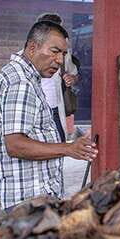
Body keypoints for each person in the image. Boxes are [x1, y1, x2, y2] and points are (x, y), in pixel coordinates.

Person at [0, 20, 97, 210]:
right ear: (32, 48)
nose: (60, 60)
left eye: (63, 54)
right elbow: (16, 145)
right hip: (28, 201)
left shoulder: (25, 77)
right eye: (54, 51)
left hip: (34, 198)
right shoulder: (20, 83)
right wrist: (69, 148)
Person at [35, 13, 79, 142]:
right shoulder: (30, 52)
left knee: (60, 143)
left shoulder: (64, 53)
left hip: (55, 108)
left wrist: (71, 78)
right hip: (35, 109)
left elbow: (74, 74)